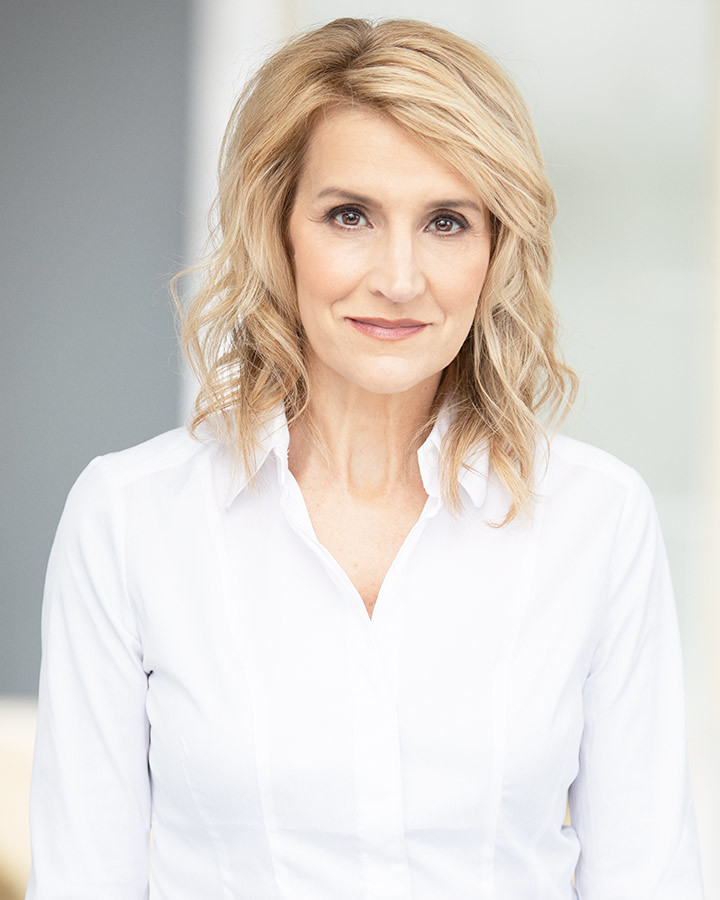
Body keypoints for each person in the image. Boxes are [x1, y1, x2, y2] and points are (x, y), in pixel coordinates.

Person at [26, 17, 703, 900]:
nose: (399, 278)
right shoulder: (129, 518)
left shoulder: (597, 518)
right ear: (279, 229)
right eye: (350, 215)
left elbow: (648, 878)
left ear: (496, 248)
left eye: (448, 222)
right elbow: (84, 879)